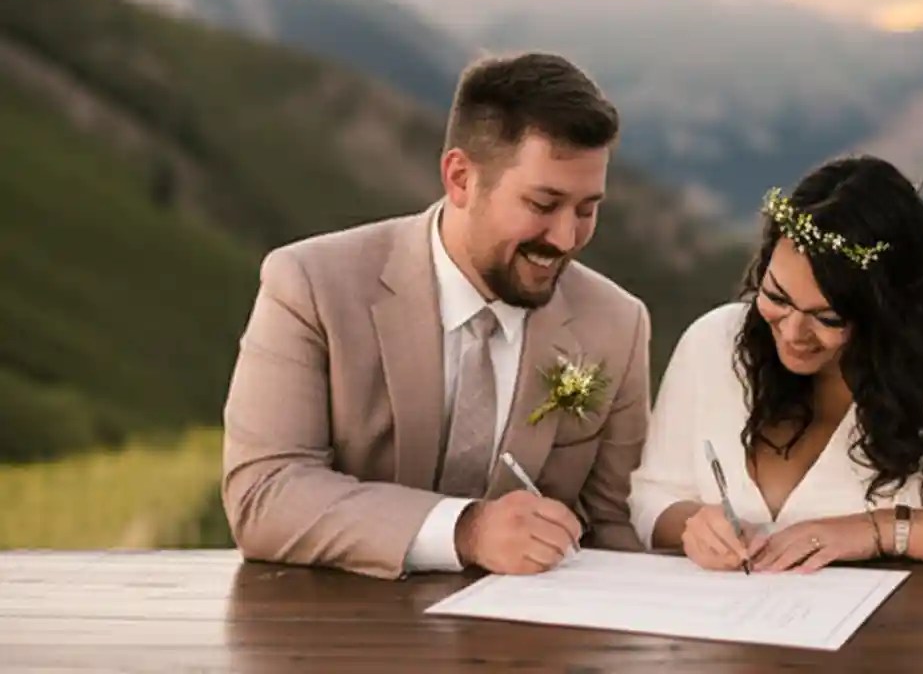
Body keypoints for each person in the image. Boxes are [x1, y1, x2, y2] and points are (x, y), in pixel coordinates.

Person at [222, 52, 650, 580]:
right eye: (543, 205)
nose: (566, 239)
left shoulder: (618, 323)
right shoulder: (310, 285)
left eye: (587, 210)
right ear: (460, 177)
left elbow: (620, 523)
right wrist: (467, 531)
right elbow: (264, 494)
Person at [628, 154, 923, 574]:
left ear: (887, 311)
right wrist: (694, 526)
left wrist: (877, 531)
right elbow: (652, 498)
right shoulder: (713, 342)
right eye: (776, 297)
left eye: (828, 317)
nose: (793, 333)